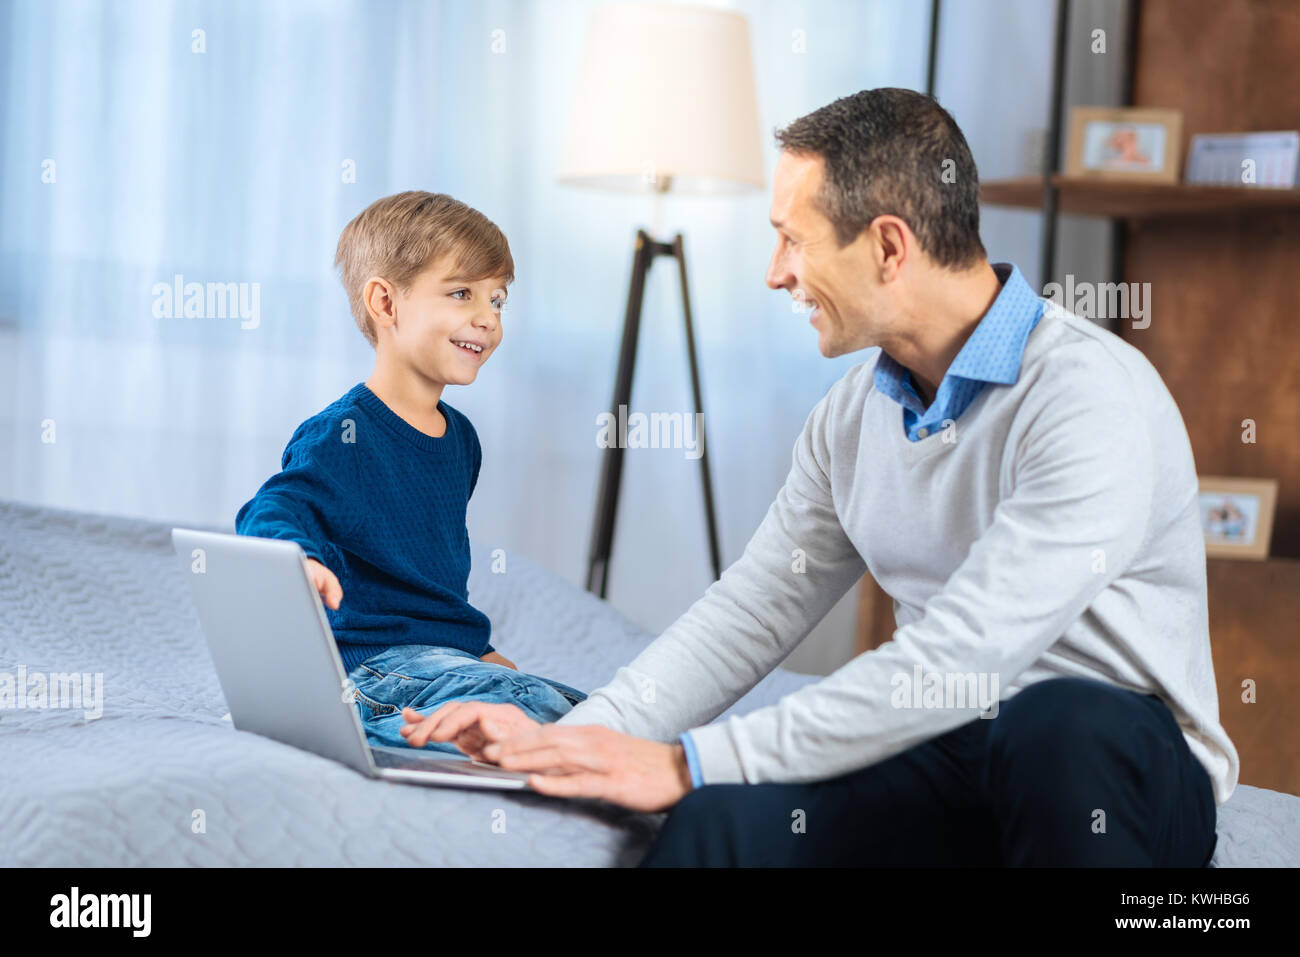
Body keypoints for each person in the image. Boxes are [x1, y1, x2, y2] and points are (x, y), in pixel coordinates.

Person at [402, 89, 1237, 866]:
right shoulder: (850, 417)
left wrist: (689, 759)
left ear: (886, 245)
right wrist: (577, 742)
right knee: (720, 820)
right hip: (952, 744)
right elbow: (751, 611)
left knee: (1058, 726)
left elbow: (962, 654)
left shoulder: (1087, 394)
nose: (776, 272)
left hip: (1114, 755)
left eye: (792, 239)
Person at [236, 191, 585, 755]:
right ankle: (382, 726)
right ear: (385, 302)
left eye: (497, 300)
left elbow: (427, 585)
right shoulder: (343, 434)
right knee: (527, 708)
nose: (487, 319)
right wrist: (296, 555)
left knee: (594, 714)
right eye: (461, 293)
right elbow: (275, 506)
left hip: (438, 663)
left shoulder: (461, 439)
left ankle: (488, 719)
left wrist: (473, 647)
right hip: (373, 670)